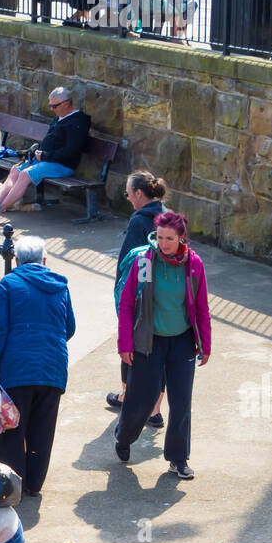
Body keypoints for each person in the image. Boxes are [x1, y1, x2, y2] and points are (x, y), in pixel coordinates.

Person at [115, 210, 211, 480]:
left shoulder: (194, 265)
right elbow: (127, 303)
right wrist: (125, 343)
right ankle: (123, 438)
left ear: (182, 238)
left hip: (182, 341)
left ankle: (178, 459)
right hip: (149, 340)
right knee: (141, 400)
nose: (163, 243)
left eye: (169, 238)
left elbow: (201, 307)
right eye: (159, 237)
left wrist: (206, 343)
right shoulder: (146, 261)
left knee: (181, 402)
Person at [0, 235, 76, 497]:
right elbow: (69, 327)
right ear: (44, 260)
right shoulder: (61, 286)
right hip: (53, 368)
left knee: (13, 428)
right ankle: (34, 485)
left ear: (16, 260)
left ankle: (14, 485)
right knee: (43, 428)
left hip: (16, 368)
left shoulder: (10, 284)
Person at [106, 170, 168, 419]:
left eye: (129, 193)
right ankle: (155, 410)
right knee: (160, 350)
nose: (129, 198)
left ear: (140, 194)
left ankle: (126, 396)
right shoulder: (167, 216)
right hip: (166, 296)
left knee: (130, 345)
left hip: (143, 295)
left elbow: (131, 262)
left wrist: (128, 299)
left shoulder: (139, 221)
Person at [0, 87, 90, 214]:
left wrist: (45, 156)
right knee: (15, 170)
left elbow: (71, 151)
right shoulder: (59, 117)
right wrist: (38, 153)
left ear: (66, 104)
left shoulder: (78, 122)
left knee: (25, 174)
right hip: (45, 160)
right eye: (50, 106)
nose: (51, 109)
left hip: (63, 165)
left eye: (54, 106)